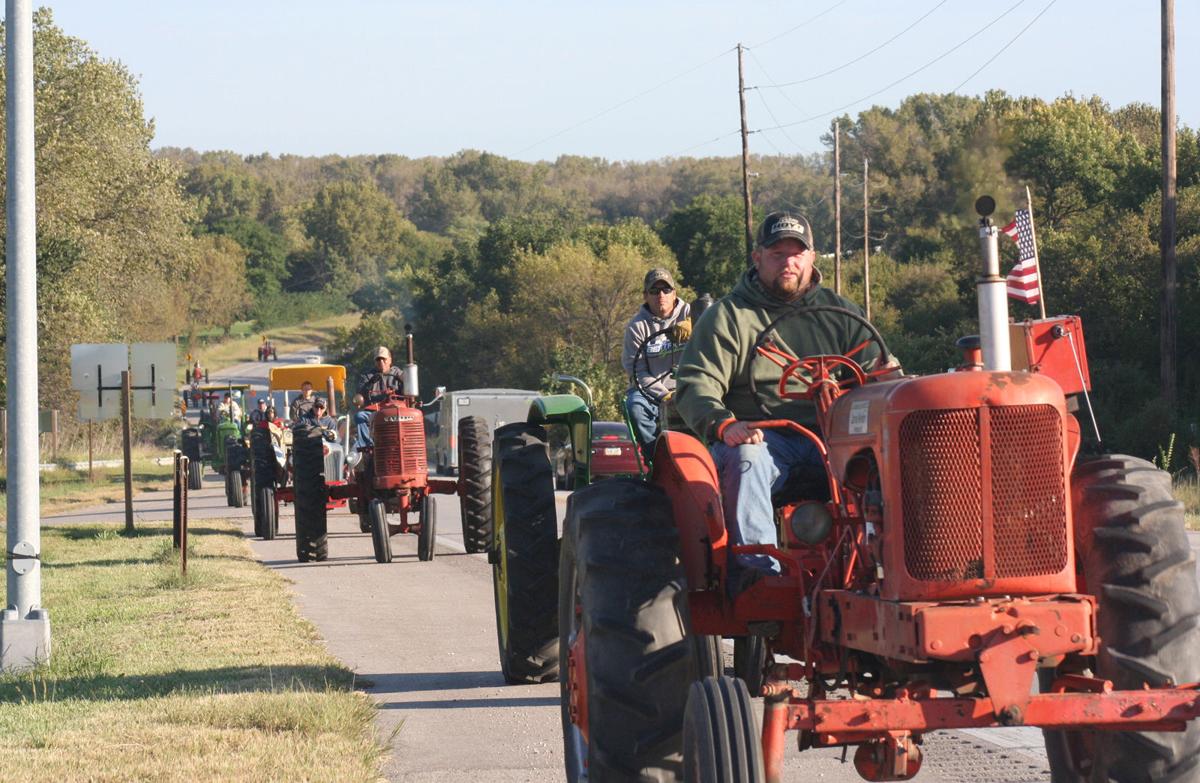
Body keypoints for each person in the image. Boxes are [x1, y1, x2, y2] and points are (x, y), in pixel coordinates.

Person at [674, 211, 891, 593]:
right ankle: (760, 575)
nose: (787, 262)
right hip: (766, 437)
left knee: (898, 458)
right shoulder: (729, 317)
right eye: (777, 254)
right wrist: (725, 425)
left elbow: (880, 375)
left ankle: (890, 564)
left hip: (836, 437)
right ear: (758, 258)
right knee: (748, 460)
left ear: (811, 258)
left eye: (796, 253)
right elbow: (697, 383)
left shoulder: (841, 314)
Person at [621, 268, 691, 461]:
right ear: (645, 296)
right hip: (650, 394)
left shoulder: (692, 314)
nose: (661, 295)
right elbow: (638, 372)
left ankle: (710, 460)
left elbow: (715, 335)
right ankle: (658, 461)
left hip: (690, 388)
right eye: (654, 291)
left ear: (674, 293)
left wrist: (696, 325)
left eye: (666, 290)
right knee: (634, 407)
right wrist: (664, 395)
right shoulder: (636, 327)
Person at [354, 346, 404, 449]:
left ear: (390, 360)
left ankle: (407, 443)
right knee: (360, 416)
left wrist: (403, 381)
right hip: (375, 412)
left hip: (396, 412)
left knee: (413, 417)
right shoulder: (367, 376)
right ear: (375, 362)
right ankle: (367, 446)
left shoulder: (399, 374)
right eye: (378, 359)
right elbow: (360, 394)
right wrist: (370, 383)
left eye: (384, 359)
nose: (381, 362)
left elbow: (409, 392)